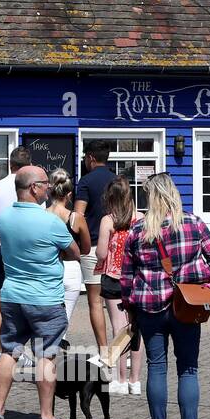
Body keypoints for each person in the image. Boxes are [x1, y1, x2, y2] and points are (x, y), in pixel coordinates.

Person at [120, 173, 210, 419]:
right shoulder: (193, 223)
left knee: (156, 366)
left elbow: (126, 276)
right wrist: (208, 288)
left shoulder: (138, 229)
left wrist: (129, 306)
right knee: (188, 368)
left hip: (149, 306)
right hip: (186, 304)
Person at [0, 165, 82, 419]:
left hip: (12, 295)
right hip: (45, 299)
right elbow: (74, 252)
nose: (48, 188)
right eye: (44, 183)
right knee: (45, 355)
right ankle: (47, 418)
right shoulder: (50, 221)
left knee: (9, 351)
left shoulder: (3, 218)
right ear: (33, 188)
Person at [0, 145, 32, 364]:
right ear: (28, 165)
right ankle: (20, 347)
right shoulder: (32, 187)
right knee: (26, 296)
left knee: (1, 297)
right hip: (24, 247)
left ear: (10, 164)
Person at [95, 176, 143, 394]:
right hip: (136, 278)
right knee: (136, 329)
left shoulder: (108, 220)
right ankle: (135, 380)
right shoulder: (140, 218)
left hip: (114, 278)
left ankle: (121, 379)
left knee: (118, 329)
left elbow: (102, 253)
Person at [74, 139, 116, 361]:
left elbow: (78, 215)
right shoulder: (118, 179)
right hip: (117, 245)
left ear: (90, 157)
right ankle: (122, 346)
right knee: (119, 300)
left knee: (95, 301)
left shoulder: (86, 182)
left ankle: (104, 350)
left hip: (91, 246)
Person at [45, 168, 91, 331]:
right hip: (71, 269)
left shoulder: (42, 215)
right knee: (63, 323)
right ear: (69, 194)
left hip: (48, 268)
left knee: (45, 322)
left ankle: (41, 352)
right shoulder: (75, 217)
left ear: (49, 191)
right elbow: (85, 249)